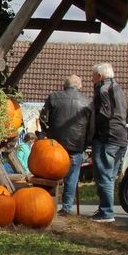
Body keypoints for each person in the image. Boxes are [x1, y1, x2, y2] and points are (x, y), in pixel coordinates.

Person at [39, 74, 92, 216]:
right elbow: (91, 127)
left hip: (54, 145)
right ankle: (66, 208)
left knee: (49, 174)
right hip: (76, 144)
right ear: (80, 87)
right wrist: (86, 143)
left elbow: (43, 118)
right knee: (72, 176)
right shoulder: (87, 102)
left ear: (64, 85)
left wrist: (47, 134)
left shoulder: (54, 97)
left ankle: (46, 204)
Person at [89, 62, 128, 223]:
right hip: (121, 137)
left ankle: (106, 212)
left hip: (107, 137)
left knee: (104, 175)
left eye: (93, 75)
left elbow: (105, 113)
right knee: (110, 176)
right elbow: (126, 111)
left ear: (100, 76)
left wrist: (91, 122)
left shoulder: (103, 89)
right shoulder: (119, 89)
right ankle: (105, 210)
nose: (91, 79)